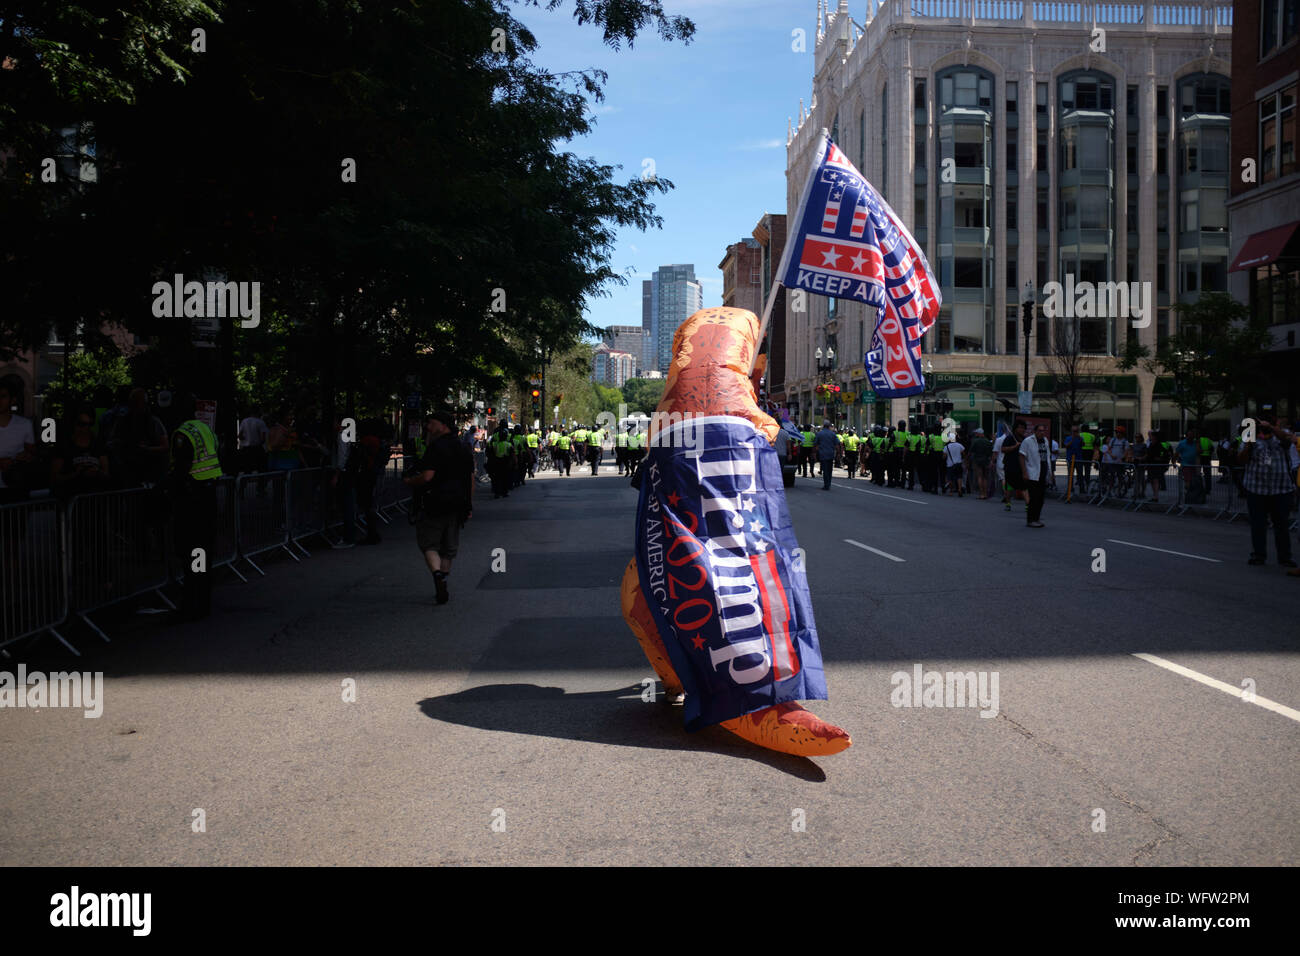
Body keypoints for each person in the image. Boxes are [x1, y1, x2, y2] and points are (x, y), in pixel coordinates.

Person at [404, 411, 474, 605]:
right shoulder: (462, 447)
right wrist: (469, 504)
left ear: (443, 425)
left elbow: (427, 476)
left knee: (429, 544)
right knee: (449, 548)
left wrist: (410, 481)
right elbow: (470, 479)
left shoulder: (436, 447)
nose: (428, 427)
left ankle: (436, 574)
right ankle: (443, 578)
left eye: (431, 423)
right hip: (457, 503)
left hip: (435, 502)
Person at [168, 395, 223, 619]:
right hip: (207, 497)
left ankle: (191, 604)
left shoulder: (183, 433)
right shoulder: (205, 429)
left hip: (191, 499)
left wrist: (162, 486)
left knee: (191, 553)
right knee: (202, 552)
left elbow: (181, 468)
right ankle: (202, 602)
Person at [1237, 418, 1295, 568]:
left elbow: (1288, 439)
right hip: (1257, 489)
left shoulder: (1281, 435)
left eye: (1265, 427)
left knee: (1281, 525)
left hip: (1281, 489)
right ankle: (1258, 555)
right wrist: (1249, 444)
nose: (1263, 430)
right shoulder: (1250, 438)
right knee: (1258, 525)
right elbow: (1241, 460)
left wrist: (1271, 428)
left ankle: (1285, 557)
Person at [51, 404, 112, 500]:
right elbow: (55, 477)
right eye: (81, 424)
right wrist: (76, 474)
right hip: (71, 498)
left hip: (96, 499)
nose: (85, 429)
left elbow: (107, 474)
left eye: (89, 424)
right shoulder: (64, 446)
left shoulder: (98, 444)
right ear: (73, 423)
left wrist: (97, 472)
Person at [110, 387, 169, 487]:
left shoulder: (153, 422)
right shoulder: (122, 422)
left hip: (151, 472)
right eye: (134, 403)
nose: (137, 407)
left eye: (139, 403)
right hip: (129, 472)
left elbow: (165, 446)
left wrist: (147, 449)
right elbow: (112, 442)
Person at [0, 381, 36, 504]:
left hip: (17, 488)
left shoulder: (25, 424)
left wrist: (26, 457)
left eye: (3, 396)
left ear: (13, 400)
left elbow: (32, 453)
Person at [1000, 420, 1029, 512]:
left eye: (1024, 428)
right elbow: (1003, 449)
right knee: (1009, 486)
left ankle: (1028, 505)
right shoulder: (1010, 438)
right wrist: (1015, 446)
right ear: (1015, 428)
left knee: (1024, 487)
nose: (1022, 429)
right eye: (1020, 427)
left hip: (1021, 467)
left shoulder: (1025, 439)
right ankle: (1008, 503)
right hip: (1010, 466)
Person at [485, 421, 515, 498]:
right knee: (505, 476)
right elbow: (512, 447)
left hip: (495, 460)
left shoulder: (495, 435)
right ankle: (504, 491)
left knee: (495, 476)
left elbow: (489, 446)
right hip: (505, 460)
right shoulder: (509, 436)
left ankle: (497, 490)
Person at [969, 427, 992, 499]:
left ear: (979, 433)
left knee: (979, 476)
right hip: (986, 460)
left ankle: (981, 494)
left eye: (976, 433)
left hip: (977, 460)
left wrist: (967, 459)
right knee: (985, 477)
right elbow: (991, 452)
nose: (976, 434)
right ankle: (985, 494)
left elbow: (971, 451)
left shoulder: (975, 441)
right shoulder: (988, 441)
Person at [815, 419, 838, 490]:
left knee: (825, 470)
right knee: (829, 470)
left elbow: (815, 444)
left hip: (823, 454)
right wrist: (838, 453)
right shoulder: (833, 434)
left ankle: (826, 484)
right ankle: (829, 484)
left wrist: (814, 453)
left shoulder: (819, 434)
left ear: (823, 426)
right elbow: (837, 444)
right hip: (831, 454)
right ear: (829, 426)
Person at [943, 432, 966, 497]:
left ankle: (951, 491)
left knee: (950, 478)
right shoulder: (959, 445)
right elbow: (964, 454)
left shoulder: (946, 447)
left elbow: (944, 456)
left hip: (950, 465)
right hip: (958, 463)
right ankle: (959, 489)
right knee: (959, 477)